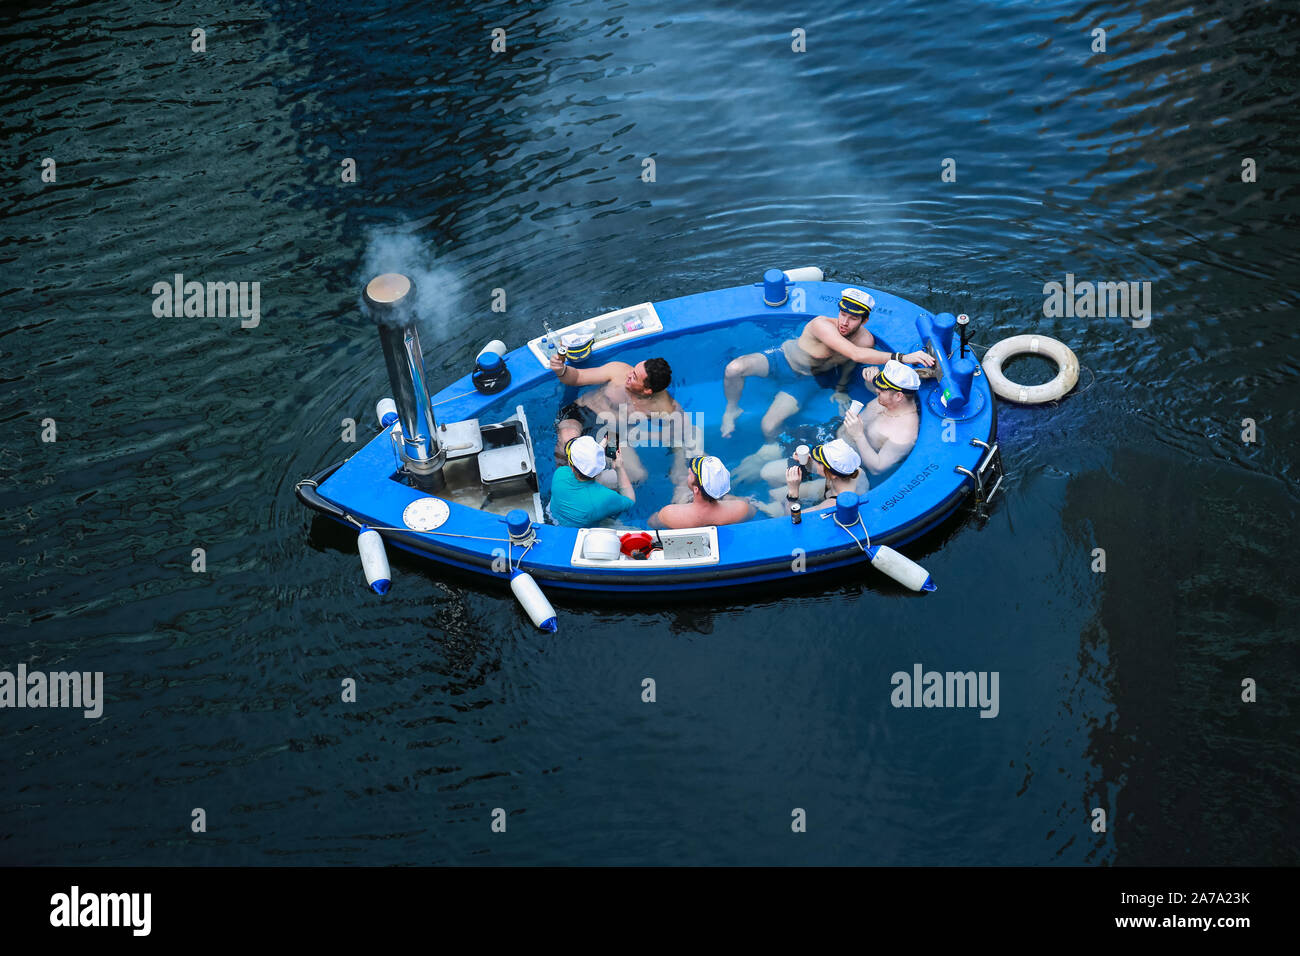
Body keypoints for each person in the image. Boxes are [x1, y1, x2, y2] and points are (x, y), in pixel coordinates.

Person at [721, 287, 936, 439]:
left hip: (807, 381)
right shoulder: (821, 325)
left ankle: (776, 447)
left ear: (864, 320)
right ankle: (732, 409)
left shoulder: (866, 340)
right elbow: (855, 354)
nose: (844, 321)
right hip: (781, 359)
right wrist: (902, 357)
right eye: (843, 314)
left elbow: (850, 362)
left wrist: (842, 389)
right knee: (734, 368)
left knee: (768, 426)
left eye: (852, 318)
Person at [551, 353, 686, 486]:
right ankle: (564, 485)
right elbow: (577, 377)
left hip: (612, 434)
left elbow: (682, 432)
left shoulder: (662, 406)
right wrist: (562, 370)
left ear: (647, 391)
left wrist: (678, 464)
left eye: (634, 377)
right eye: (633, 370)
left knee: (637, 475)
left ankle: (589, 485)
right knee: (568, 445)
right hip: (581, 415)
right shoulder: (619, 371)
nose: (629, 374)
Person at [838, 359, 921, 475]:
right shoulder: (892, 400)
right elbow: (877, 389)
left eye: (881, 390)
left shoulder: (904, 433)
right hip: (836, 436)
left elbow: (877, 468)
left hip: (844, 464)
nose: (876, 390)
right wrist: (871, 378)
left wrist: (858, 436)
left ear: (898, 396)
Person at [752, 438, 868, 517]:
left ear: (833, 475)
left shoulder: (831, 505)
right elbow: (828, 469)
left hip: (831, 498)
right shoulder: (854, 470)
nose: (814, 460)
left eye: (819, 461)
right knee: (775, 494)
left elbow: (792, 518)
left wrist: (793, 491)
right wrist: (805, 462)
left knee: (778, 503)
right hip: (829, 489)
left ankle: (772, 509)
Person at [548, 435, 635, 528]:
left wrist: (598, 450)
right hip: (582, 529)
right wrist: (619, 468)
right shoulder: (605, 498)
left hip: (553, 517)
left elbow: (584, 469)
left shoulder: (560, 474)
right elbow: (630, 501)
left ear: (571, 466)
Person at [649, 456, 753, 529]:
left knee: (680, 480)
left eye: (690, 474)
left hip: (685, 508)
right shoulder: (741, 509)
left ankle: (678, 451)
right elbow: (752, 511)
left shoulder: (670, 514)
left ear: (696, 489)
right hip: (723, 509)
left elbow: (652, 523)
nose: (689, 471)